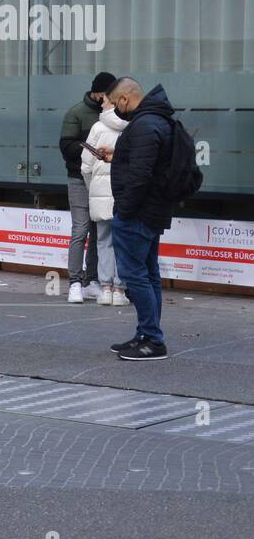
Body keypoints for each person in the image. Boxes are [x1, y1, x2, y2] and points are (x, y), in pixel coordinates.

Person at [105, 77, 176, 361]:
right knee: (148, 274)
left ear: (124, 99)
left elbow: (140, 175)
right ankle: (146, 334)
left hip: (138, 213)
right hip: (149, 211)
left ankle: (154, 340)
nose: (113, 109)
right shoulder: (155, 120)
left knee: (136, 275)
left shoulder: (146, 124)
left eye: (113, 103)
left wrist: (124, 209)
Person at [59, 72, 116, 303]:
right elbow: (66, 146)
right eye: (107, 93)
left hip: (101, 179)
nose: (109, 97)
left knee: (98, 229)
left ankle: (92, 279)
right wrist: (92, 151)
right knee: (80, 229)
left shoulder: (111, 115)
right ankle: (75, 281)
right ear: (98, 92)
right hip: (78, 178)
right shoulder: (76, 113)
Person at [80, 95, 130, 307]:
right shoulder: (131, 127)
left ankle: (106, 288)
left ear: (113, 103)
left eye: (105, 100)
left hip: (100, 193)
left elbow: (85, 166)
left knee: (103, 241)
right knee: (123, 243)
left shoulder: (97, 128)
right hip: (124, 194)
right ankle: (120, 289)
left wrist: (94, 189)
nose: (101, 103)